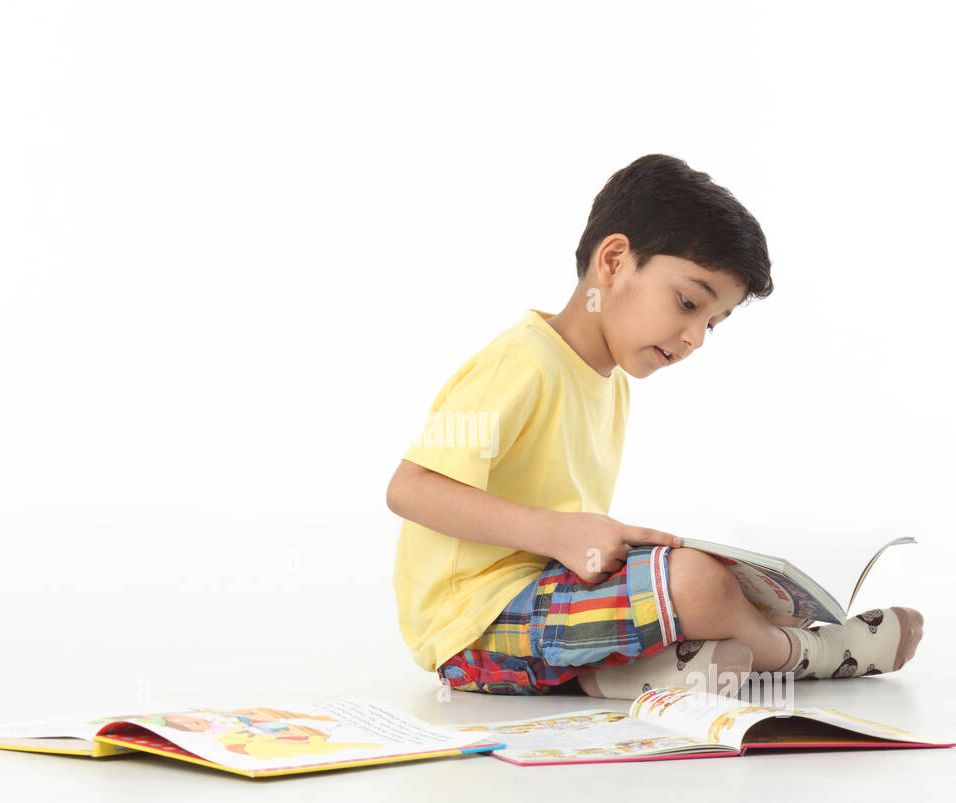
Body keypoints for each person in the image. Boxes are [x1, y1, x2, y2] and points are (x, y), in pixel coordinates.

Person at [386, 154, 923, 699]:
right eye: (688, 302)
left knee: (728, 586)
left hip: (549, 597)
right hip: (472, 626)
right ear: (614, 262)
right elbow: (411, 489)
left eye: (712, 324)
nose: (695, 338)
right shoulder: (521, 365)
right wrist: (562, 534)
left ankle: (636, 675)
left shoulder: (609, 378)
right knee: (694, 582)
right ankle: (816, 654)